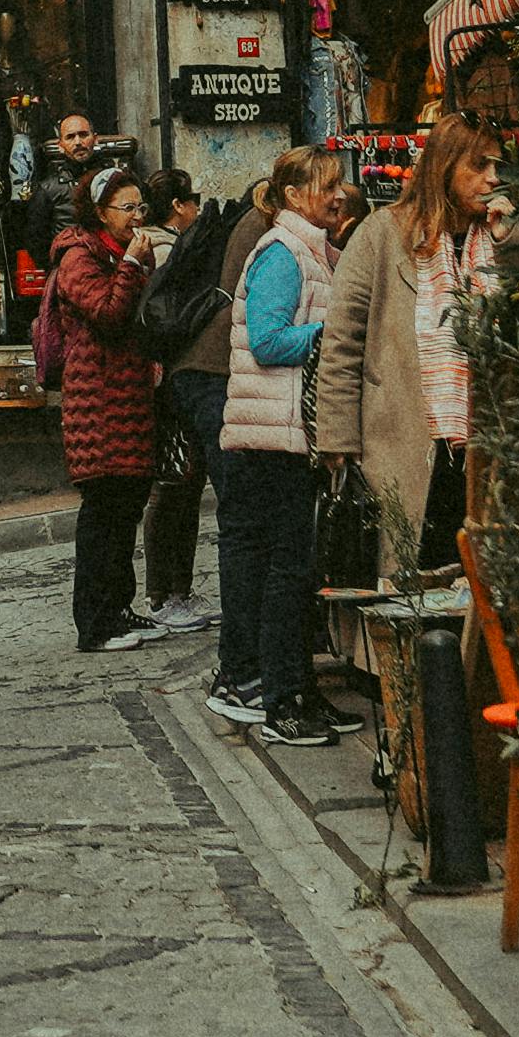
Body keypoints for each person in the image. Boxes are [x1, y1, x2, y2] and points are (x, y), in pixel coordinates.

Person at [212, 145, 358, 743]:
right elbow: (268, 341)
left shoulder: (310, 250)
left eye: (340, 183)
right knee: (286, 574)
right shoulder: (282, 253)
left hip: (284, 436)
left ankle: (297, 691)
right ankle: (282, 703)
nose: (340, 194)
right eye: (328, 185)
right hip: (272, 441)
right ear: (294, 196)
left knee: (293, 572)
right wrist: (336, 332)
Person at [316, 115, 502, 580]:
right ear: (445, 167)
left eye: (497, 166)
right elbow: (342, 342)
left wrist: (512, 242)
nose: (493, 179)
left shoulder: (500, 239)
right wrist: (338, 438)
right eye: (479, 165)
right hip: (399, 439)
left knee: (480, 582)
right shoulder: (382, 234)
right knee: (408, 575)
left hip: (483, 446)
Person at [50, 165, 173, 654]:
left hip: (130, 397)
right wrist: (134, 266)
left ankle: (119, 609)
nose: (137, 216)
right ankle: (95, 623)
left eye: (141, 206)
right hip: (96, 403)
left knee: (126, 508)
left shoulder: (121, 252)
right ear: (100, 212)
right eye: (127, 208)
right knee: (103, 511)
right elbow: (107, 313)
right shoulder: (78, 256)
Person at [140, 161, 255, 637]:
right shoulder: (168, 248)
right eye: (192, 202)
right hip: (172, 379)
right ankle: (165, 595)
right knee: (175, 486)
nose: (195, 209)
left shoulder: (171, 244)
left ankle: (174, 592)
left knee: (179, 485)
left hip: (173, 377)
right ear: (178, 206)